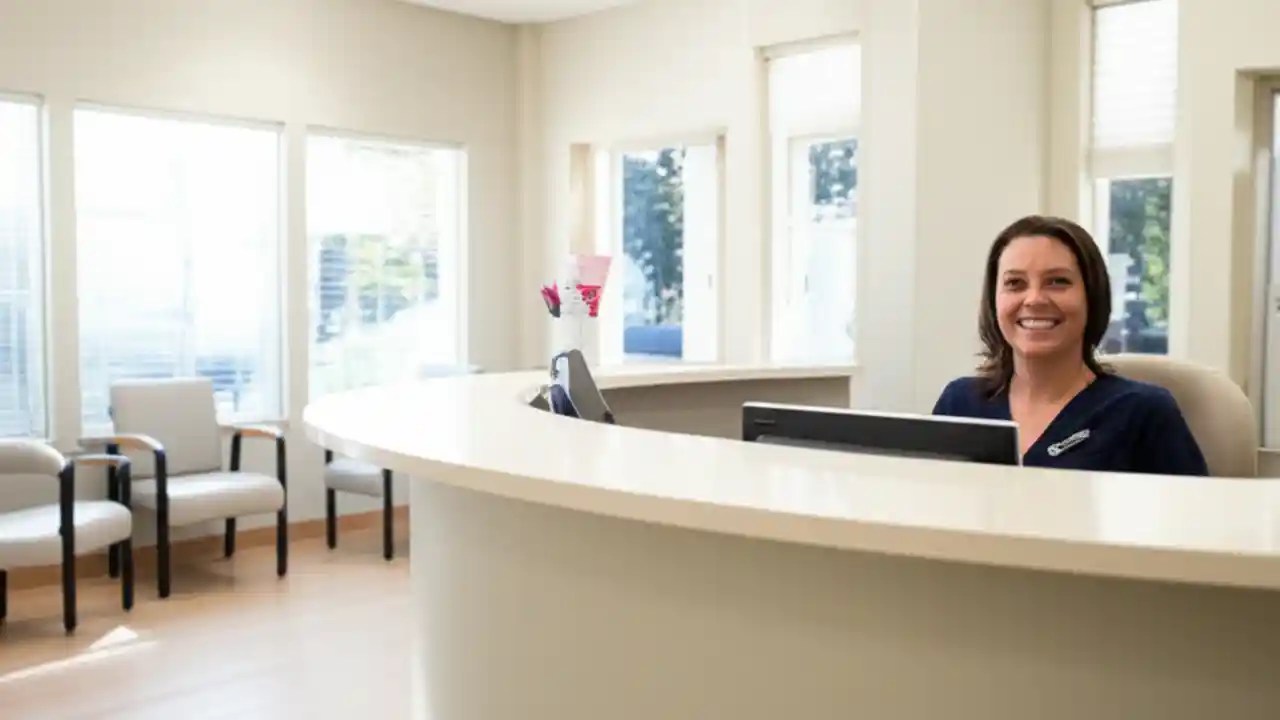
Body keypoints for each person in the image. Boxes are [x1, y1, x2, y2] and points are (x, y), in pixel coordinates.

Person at [933, 215, 1208, 475]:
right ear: (994, 302)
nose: (1034, 299)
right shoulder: (959, 403)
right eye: (1015, 283)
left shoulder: (1144, 413)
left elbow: (1194, 522)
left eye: (1057, 282)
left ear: (1092, 296)